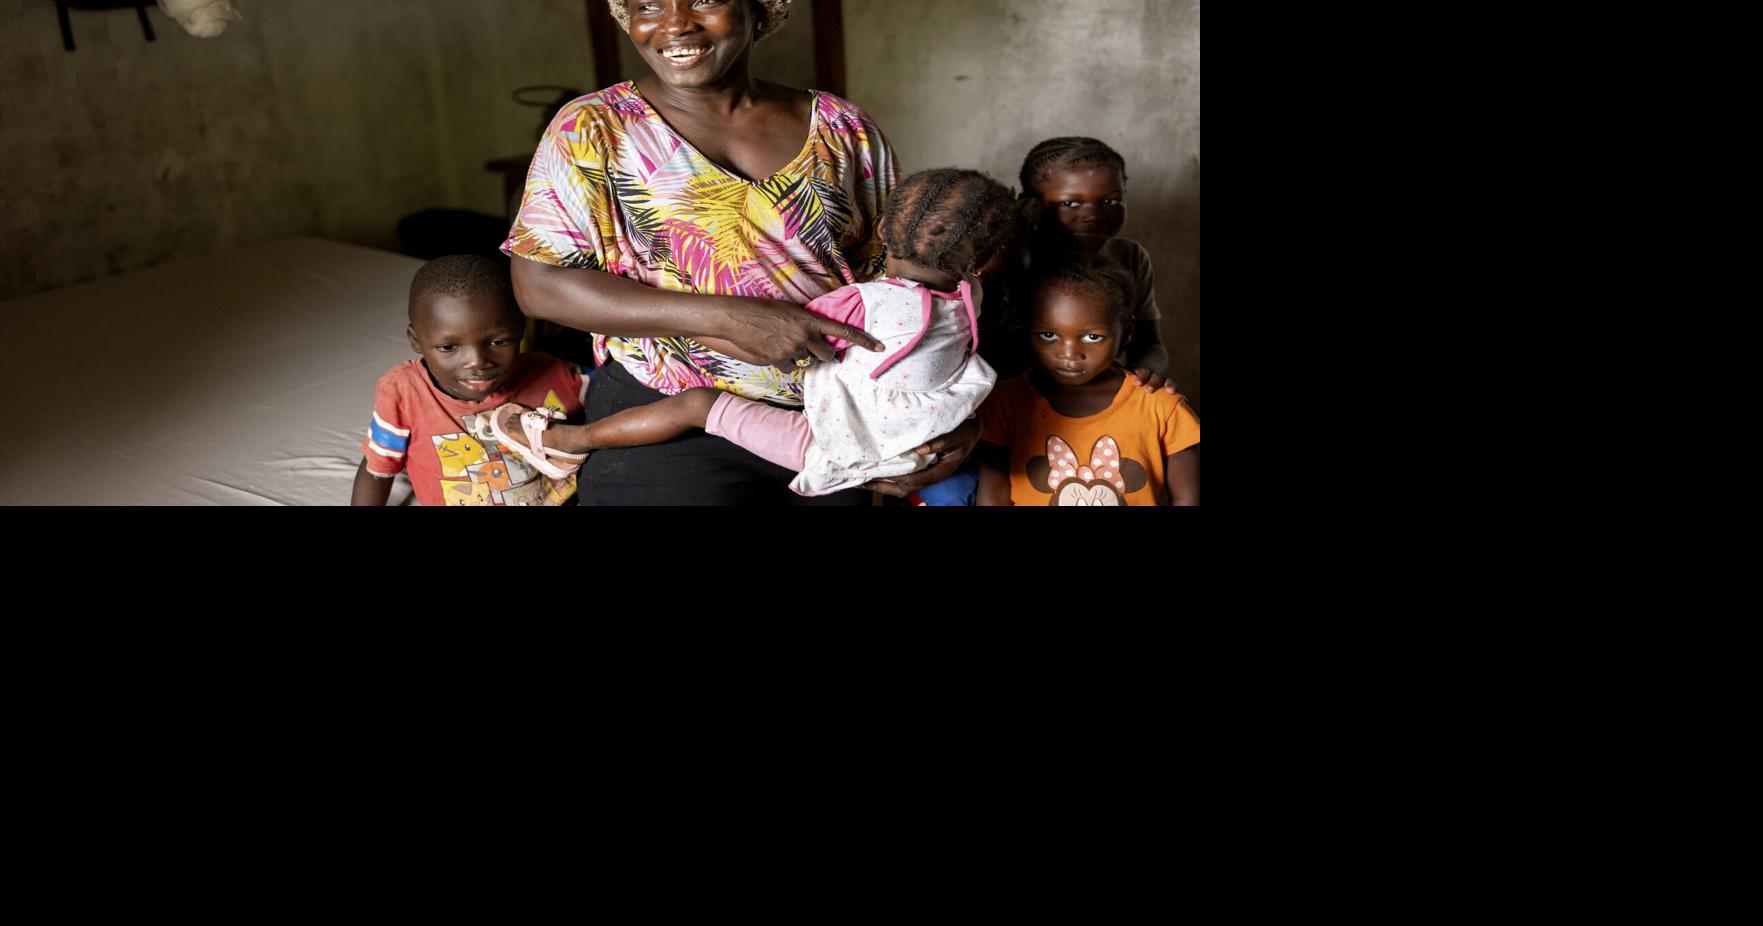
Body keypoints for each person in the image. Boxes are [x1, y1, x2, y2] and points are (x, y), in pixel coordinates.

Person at [501, 0, 984, 504]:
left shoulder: (842, 128)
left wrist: (948, 416)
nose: (675, 23)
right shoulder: (593, 129)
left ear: (760, 10)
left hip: (837, 416)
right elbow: (539, 287)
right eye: (647, 5)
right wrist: (728, 318)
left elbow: (914, 279)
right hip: (665, 414)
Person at [489, 169, 1015, 497]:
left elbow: (782, 341)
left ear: (880, 229)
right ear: (984, 261)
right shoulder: (969, 303)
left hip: (826, 443)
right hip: (912, 448)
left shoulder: (864, 304)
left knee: (699, 404)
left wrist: (697, 326)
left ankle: (569, 441)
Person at [351, 255, 586, 506]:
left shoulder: (554, 374)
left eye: (498, 342)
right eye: (448, 347)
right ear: (416, 341)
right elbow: (377, 468)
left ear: (520, 330)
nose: (477, 362)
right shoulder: (404, 393)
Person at [976, 258, 1200, 506]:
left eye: (1093, 337)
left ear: (1125, 333)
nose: (1069, 353)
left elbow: (1187, 497)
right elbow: (993, 496)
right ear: (1027, 330)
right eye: (1048, 335)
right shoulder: (1005, 403)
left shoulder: (1160, 407)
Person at [1019, 136, 1175, 391]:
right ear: (1031, 205)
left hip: (1101, 394)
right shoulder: (1018, 258)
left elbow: (1150, 344)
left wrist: (1144, 374)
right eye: (1069, 203)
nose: (1092, 216)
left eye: (1110, 201)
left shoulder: (1130, 257)